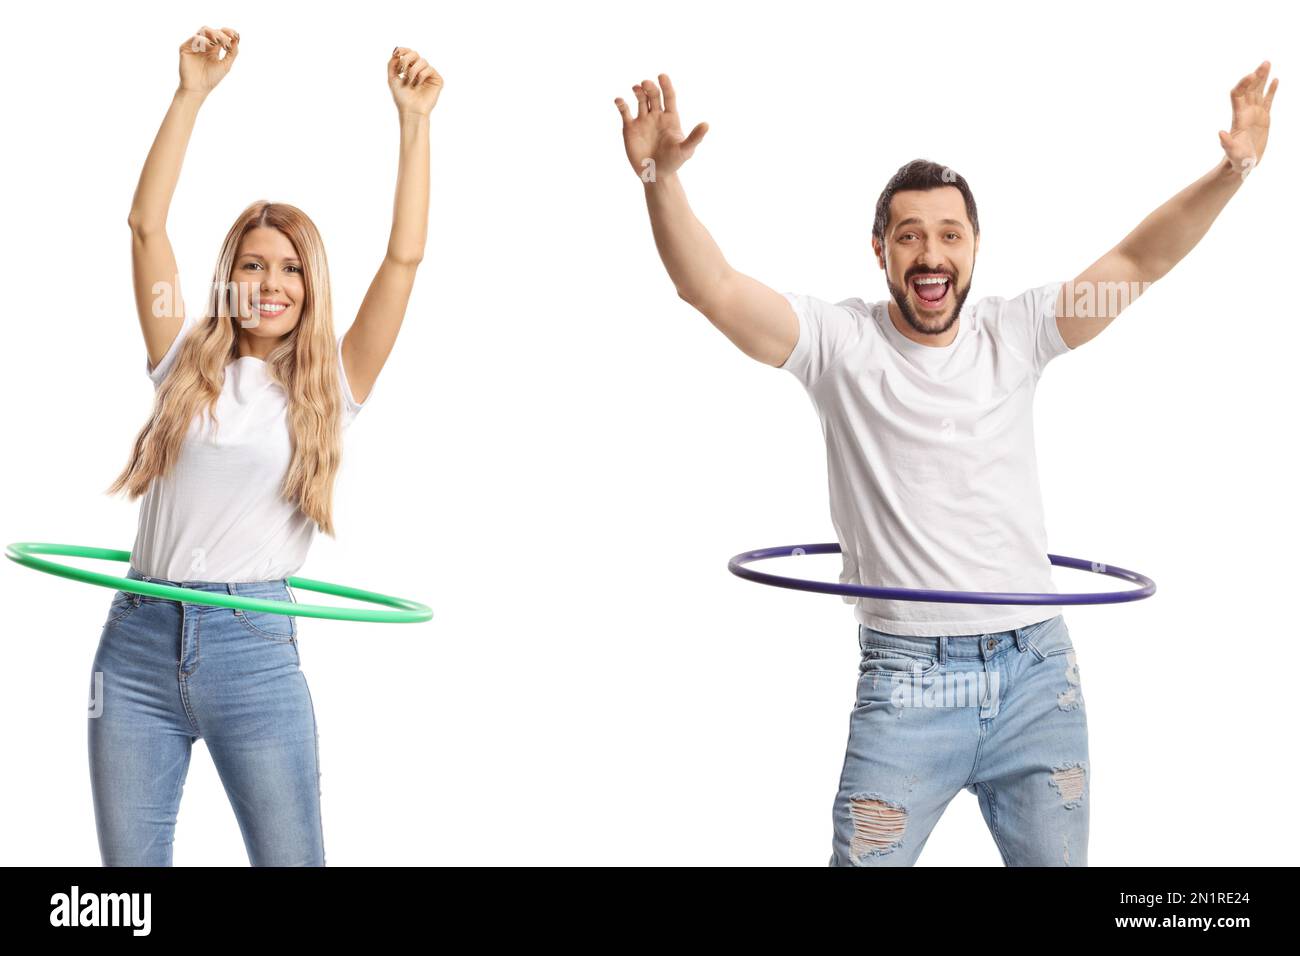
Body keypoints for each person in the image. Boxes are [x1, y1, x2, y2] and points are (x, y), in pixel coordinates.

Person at [615, 63, 1277, 865]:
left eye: (949, 234)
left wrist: (1233, 169)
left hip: (1039, 675)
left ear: (973, 249)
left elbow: (1138, 266)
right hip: (908, 683)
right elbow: (710, 288)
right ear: (880, 250)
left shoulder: (1023, 331)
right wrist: (657, 177)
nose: (931, 254)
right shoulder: (836, 345)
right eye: (910, 235)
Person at [90, 26, 440, 866]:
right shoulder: (182, 363)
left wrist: (414, 123)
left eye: (289, 269)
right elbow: (145, 227)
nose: (271, 283)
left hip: (254, 650)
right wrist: (190, 94)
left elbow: (403, 258)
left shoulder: (331, 388)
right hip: (135, 642)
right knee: (125, 888)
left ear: (309, 286)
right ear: (229, 278)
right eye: (252, 265)